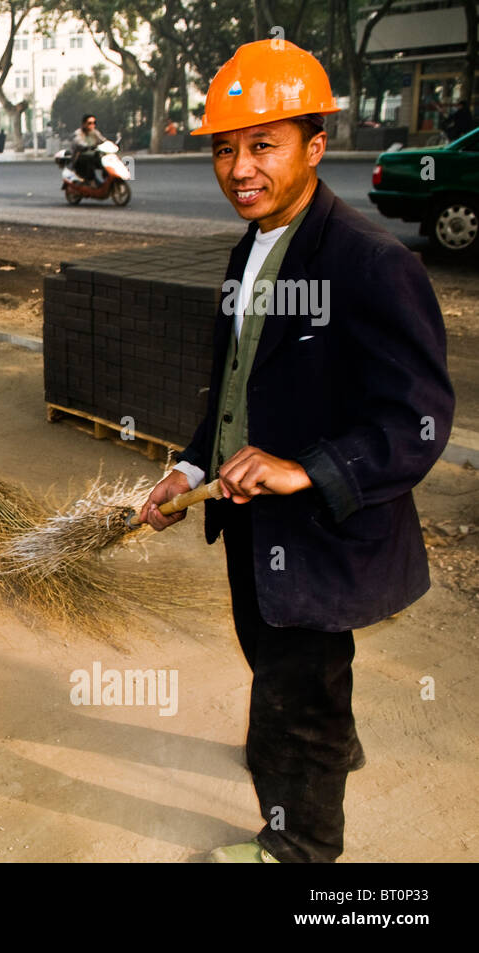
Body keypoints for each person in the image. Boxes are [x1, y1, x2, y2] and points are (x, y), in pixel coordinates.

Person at [140, 39, 454, 863]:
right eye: (223, 147)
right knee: (281, 663)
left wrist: (306, 468)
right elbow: (236, 385)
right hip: (252, 527)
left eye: (262, 144)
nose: (239, 167)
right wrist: (192, 466)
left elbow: (417, 420)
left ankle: (300, 844)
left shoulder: (371, 263)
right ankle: (322, 746)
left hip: (322, 533)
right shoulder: (250, 250)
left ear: (315, 146)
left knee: (297, 688)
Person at [71, 114, 105, 183]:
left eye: (94, 123)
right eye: (89, 123)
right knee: (89, 161)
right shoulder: (78, 133)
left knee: (106, 162)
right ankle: (91, 181)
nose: (92, 125)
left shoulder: (95, 132)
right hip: (80, 158)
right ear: (83, 124)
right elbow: (78, 142)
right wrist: (87, 146)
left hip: (93, 156)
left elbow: (102, 140)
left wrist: (111, 144)